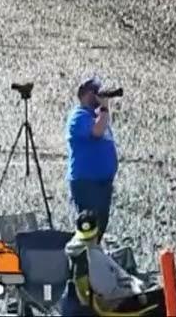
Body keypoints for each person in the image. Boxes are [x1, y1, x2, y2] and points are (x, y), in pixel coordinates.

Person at [60, 209, 163, 316]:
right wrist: (135, 292)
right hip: (106, 308)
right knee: (161, 297)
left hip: (75, 305)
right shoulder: (94, 258)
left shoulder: (72, 249)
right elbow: (110, 293)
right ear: (97, 232)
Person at [66, 76, 119, 239]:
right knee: (89, 228)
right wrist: (104, 109)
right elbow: (96, 132)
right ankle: (81, 262)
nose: (99, 95)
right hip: (87, 183)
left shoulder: (95, 116)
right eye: (96, 91)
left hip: (102, 183)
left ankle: (92, 260)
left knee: (99, 229)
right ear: (86, 94)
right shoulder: (78, 116)